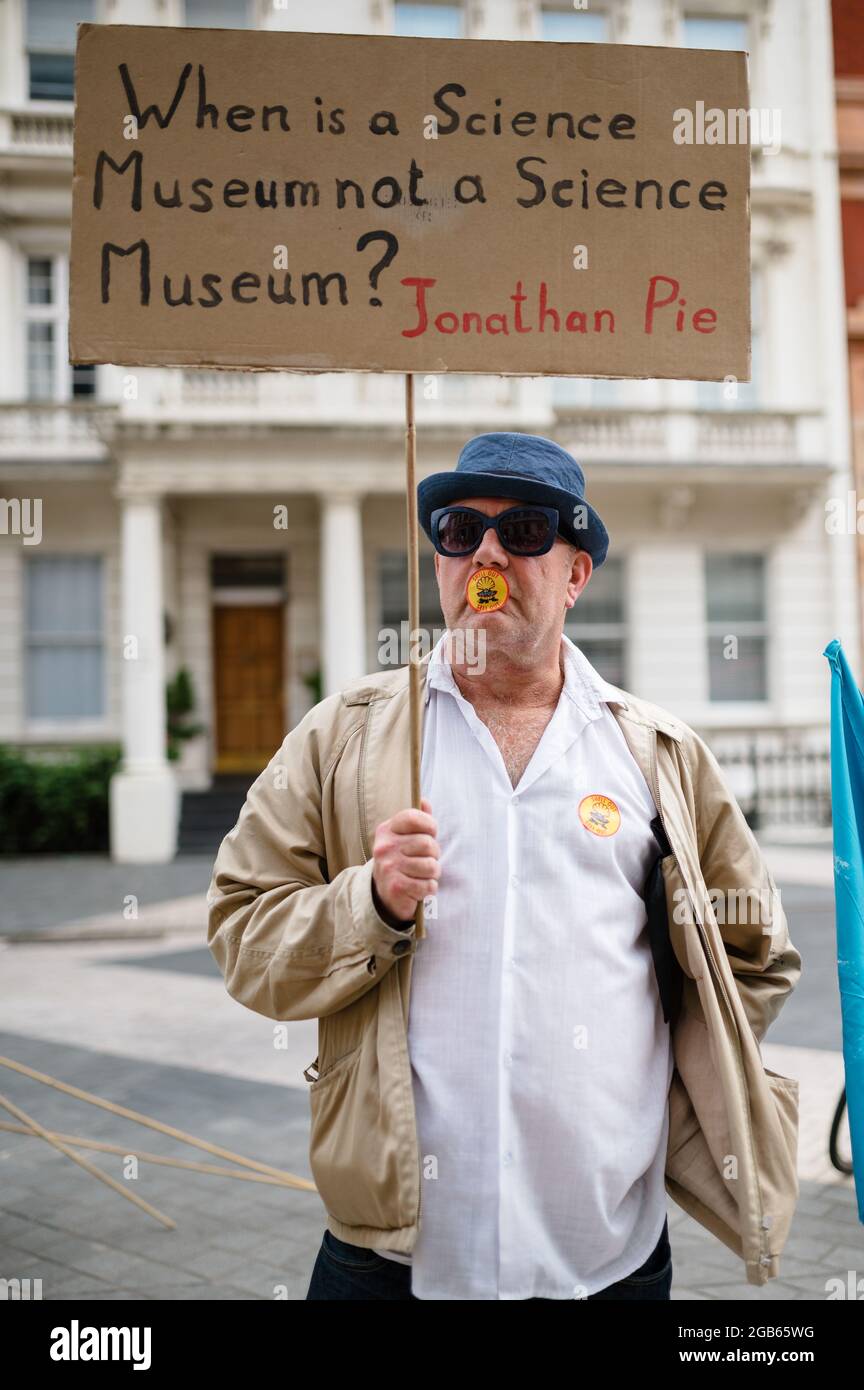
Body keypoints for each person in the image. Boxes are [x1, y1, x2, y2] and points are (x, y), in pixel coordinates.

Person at [207, 432, 801, 1301]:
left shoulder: (658, 753)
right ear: (443, 562)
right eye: (457, 530)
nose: (485, 551)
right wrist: (367, 904)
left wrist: (668, 1068)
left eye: (522, 530)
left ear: (575, 573)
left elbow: (754, 953)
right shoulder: (347, 738)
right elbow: (240, 932)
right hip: (392, 1262)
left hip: (609, 1260)